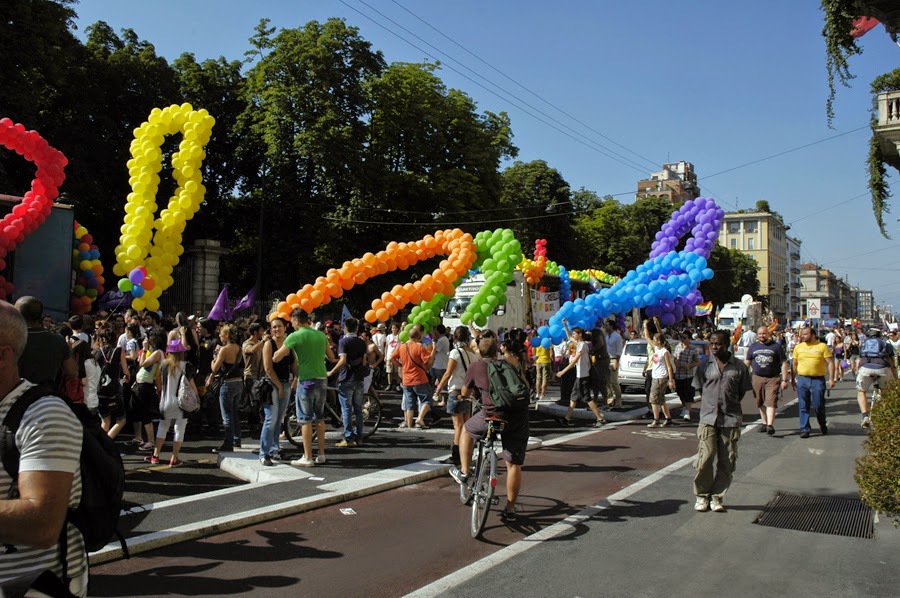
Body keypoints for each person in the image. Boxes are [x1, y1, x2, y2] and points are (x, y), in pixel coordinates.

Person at [0, 301, 88, 596]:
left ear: (3, 355)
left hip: (27, 586)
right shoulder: (56, 341)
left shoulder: (46, 416)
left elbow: (42, 524)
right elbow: (72, 371)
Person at [449, 332, 530, 521]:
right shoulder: (508, 365)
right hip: (518, 416)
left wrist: (466, 395)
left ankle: (464, 471)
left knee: (467, 430)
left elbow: (465, 391)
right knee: (514, 464)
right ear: (496, 351)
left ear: (480, 351)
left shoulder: (476, 366)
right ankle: (510, 508)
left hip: (492, 415)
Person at [692, 329, 752, 513]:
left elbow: (742, 392)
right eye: (712, 343)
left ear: (727, 344)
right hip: (708, 418)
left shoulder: (739, 366)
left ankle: (717, 497)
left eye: (718, 343)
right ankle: (702, 496)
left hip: (730, 419)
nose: (714, 347)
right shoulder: (704, 365)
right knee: (705, 458)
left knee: (727, 461)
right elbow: (700, 387)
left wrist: (728, 403)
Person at [275, 309, 334, 467]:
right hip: (322, 378)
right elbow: (331, 356)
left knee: (305, 420)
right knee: (320, 418)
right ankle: (321, 454)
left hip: (306, 379)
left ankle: (307, 457)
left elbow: (277, 357)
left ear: (295, 320)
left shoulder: (294, 336)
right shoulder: (321, 335)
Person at [145, 339, 199, 467]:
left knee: (163, 426)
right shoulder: (187, 366)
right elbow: (192, 386)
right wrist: (196, 398)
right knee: (179, 428)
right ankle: (174, 458)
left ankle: (155, 455)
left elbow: (157, 380)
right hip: (182, 402)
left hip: (165, 400)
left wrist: (160, 393)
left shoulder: (164, 365)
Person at [434, 326, 480, 467]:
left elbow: (448, 373)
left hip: (455, 391)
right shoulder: (472, 353)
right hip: (468, 391)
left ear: (455, 337)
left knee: (458, 426)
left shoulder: (455, 352)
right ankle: (466, 453)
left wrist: (438, 388)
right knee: (466, 425)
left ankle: (456, 455)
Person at [15, 296, 77, 392]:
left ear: (18, 315)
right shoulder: (58, 341)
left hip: (14, 399)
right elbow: (73, 373)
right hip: (45, 399)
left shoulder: (10, 339)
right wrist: (69, 350)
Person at [259, 317, 297, 465]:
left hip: (285, 384)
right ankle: (264, 453)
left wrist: (296, 378)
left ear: (285, 327)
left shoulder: (289, 344)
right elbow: (268, 368)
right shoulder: (269, 344)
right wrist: (279, 387)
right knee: (271, 419)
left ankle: (275, 450)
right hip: (271, 385)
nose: (277, 329)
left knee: (279, 420)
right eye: (274, 327)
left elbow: (293, 364)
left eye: (279, 326)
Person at [328, 317, 368, 448]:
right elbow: (364, 361)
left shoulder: (343, 342)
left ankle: (349, 438)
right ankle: (359, 437)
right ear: (357, 328)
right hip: (359, 378)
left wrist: (332, 372)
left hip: (346, 378)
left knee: (346, 410)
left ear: (345, 327)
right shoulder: (362, 342)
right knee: (358, 409)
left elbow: (342, 360)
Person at [556, 321, 605, 427]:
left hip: (583, 377)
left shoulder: (582, 346)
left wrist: (563, 372)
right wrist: (564, 325)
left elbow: (574, 361)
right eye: (573, 333)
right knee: (573, 398)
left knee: (587, 398)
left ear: (580, 335)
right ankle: (567, 418)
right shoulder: (579, 344)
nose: (573, 335)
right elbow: (569, 337)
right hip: (579, 376)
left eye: (575, 333)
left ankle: (600, 419)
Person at [791, 326, 835, 439]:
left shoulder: (822, 346)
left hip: (817, 380)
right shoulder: (798, 347)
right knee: (803, 405)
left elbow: (830, 363)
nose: (802, 336)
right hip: (802, 379)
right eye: (802, 334)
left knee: (818, 405)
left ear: (813, 335)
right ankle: (805, 429)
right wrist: (792, 378)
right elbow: (794, 364)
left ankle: (822, 423)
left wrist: (831, 378)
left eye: (805, 334)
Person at [745, 326, 789, 436]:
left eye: (764, 334)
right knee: (759, 401)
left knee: (771, 400)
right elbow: (747, 362)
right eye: (759, 334)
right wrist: (742, 374)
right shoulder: (753, 347)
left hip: (772, 378)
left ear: (768, 334)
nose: (762, 336)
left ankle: (770, 425)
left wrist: (784, 380)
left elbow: (784, 363)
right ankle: (764, 423)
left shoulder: (776, 346)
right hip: (757, 377)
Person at [207, 324, 244, 452]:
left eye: (221, 333)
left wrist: (214, 359)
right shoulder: (239, 348)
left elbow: (214, 368)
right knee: (234, 412)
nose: (219, 335)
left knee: (226, 415)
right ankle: (236, 439)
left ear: (227, 335)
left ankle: (228, 443)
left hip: (227, 383)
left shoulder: (224, 350)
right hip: (238, 382)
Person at [392, 327, 436, 429]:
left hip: (406, 379)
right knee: (427, 398)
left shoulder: (402, 347)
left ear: (408, 336)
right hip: (419, 378)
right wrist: (433, 352)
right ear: (419, 337)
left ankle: (409, 423)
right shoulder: (419, 347)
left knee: (409, 402)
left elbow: (392, 358)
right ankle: (420, 419)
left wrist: (401, 365)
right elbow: (428, 363)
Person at [132, 329, 168, 452]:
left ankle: (151, 441)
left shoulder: (157, 352)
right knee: (138, 411)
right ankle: (141, 438)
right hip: (141, 384)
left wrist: (145, 349)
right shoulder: (159, 352)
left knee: (145, 414)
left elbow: (142, 363)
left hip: (144, 386)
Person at [856, 328, 897, 429]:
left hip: (865, 369)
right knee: (886, 392)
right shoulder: (886, 345)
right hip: (882, 369)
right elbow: (892, 364)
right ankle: (884, 415)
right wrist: (896, 379)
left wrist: (859, 372)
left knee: (861, 391)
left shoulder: (864, 344)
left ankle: (865, 416)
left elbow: (859, 362)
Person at [93, 327, 128, 439]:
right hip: (114, 391)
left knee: (105, 421)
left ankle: (101, 444)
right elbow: (125, 371)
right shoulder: (119, 351)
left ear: (103, 339)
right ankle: (107, 442)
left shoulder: (95, 352)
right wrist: (127, 377)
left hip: (99, 390)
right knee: (121, 420)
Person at [646, 329, 675, 428]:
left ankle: (656, 419)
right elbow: (647, 338)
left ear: (659, 341)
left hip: (660, 377)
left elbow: (669, 366)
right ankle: (668, 418)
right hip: (656, 376)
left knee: (653, 399)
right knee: (661, 399)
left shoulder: (664, 352)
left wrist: (671, 380)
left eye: (655, 339)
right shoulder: (656, 349)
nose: (653, 340)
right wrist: (646, 326)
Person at [673, 332, 701, 421]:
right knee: (680, 393)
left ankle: (687, 412)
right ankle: (684, 408)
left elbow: (697, 361)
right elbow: (674, 357)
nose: (682, 339)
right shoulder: (678, 346)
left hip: (688, 375)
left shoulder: (693, 349)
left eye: (684, 338)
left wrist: (690, 365)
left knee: (688, 394)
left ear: (689, 339)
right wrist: (675, 362)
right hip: (678, 374)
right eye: (681, 337)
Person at [604, 320, 624, 408]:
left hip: (613, 359)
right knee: (607, 381)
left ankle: (618, 401)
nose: (605, 327)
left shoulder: (617, 337)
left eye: (607, 325)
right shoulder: (606, 337)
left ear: (612, 326)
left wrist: (616, 361)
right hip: (606, 360)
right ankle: (610, 400)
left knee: (614, 381)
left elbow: (619, 350)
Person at [430, 325, 450, 405]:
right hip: (438, 364)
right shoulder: (443, 339)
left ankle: (444, 400)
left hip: (440, 365)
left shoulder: (442, 340)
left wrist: (433, 340)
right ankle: (439, 397)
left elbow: (435, 350)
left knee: (442, 383)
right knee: (437, 383)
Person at [533, 336, 553, 401]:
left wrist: (535, 358)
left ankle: (537, 393)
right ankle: (543, 394)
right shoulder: (548, 341)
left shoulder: (537, 341)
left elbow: (533, 349)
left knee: (538, 378)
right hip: (546, 361)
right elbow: (551, 353)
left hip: (538, 361)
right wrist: (552, 359)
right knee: (545, 378)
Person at [383, 323, 402, 392]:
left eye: (395, 328)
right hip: (389, 356)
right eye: (392, 328)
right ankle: (389, 384)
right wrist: (385, 355)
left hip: (397, 357)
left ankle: (398, 385)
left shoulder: (399, 336)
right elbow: (386, 346)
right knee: (389, 371)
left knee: (397, 372)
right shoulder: (388, 336)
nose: (394, 329)